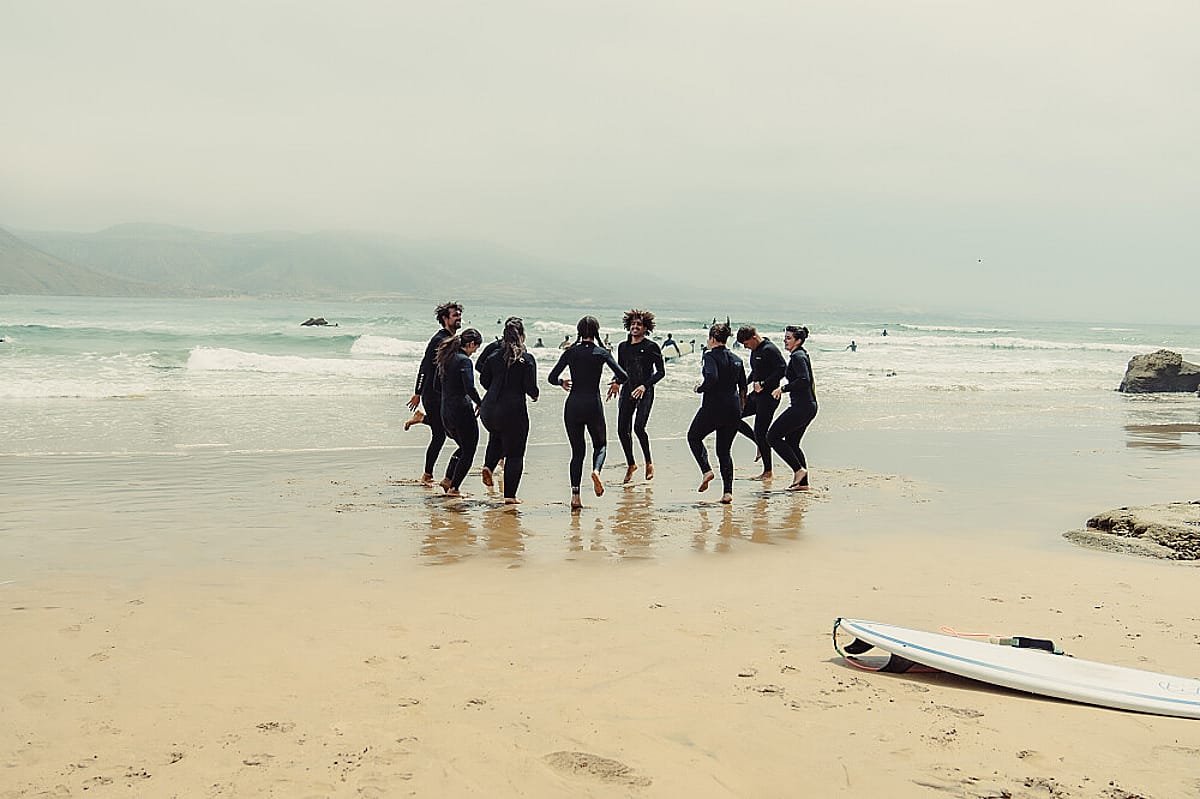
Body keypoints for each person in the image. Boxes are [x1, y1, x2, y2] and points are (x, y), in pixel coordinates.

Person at [548, 316, 629, 509]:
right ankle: (596, 471)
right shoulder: (601, 353)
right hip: (593, 404)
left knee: (577, 452)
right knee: (600, 445)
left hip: (573, 405)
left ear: (579, 332)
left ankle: (575, 497)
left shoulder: (570, 352)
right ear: (596, 332)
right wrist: (616, 382)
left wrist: (561, 382)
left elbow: (552, 377)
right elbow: (624, 375)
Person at [478, 318, 539, 503]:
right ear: (522, 335)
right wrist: (534, 395)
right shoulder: (526, 359)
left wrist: (495, 388)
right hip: (513, 410)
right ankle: (510, 497)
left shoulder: (493, 355)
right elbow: (530, 387)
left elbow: (483, 380)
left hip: (488, 410)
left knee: (497, 435)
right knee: (515, 454)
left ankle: (488, 466)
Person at [687, 322, 747, 504]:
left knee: (693, 437)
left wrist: (699, 388)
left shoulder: (709, 356)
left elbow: (712, 377)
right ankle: (727, 493)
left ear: (712, 338)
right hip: (733, 409)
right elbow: (743, 387)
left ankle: (706, 470)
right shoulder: (737, 359)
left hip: (713, 408)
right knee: (724, 451)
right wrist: (740, 409)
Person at [406, 301, 462, 483]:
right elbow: (425, 366)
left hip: (443, 392)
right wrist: (418, 392)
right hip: (431, 392)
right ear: (445, 318)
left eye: (459, 314)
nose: (459, 317)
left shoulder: (453, 339)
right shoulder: (439, 339)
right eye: (455, 315)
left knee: (440, 431)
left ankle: (422, 418)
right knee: (440, 434)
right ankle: (427, 475)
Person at [606, 308, 665, 483]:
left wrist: (645, 386)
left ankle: (648, 462)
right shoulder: (623, 347)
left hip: (645, 391)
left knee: (639, 427)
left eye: (639, 324)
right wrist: (616, 382)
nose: (635, 327)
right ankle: (631, 464)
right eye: (632, 324)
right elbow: (621, 370)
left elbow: (661, 372)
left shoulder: (651, 347)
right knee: (622, 430)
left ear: (646, 328)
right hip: (627, 391)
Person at [769, 325, 818, 490]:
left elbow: (804, 380)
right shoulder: (800, 355)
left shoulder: (798, 357)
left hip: (802, 407)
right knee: (792, 442)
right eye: (785, 338)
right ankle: (803, 484)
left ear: (798, 340)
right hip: (807, 406)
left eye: (789, 338)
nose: (785, 341)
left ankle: (798, 470)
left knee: (772, 436)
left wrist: (783, 389)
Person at [435, 327, 483, 496]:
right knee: (469, 449)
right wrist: (480, 403)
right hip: (461, 410)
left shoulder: (445, 358)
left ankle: (448, 480)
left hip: (445, 409)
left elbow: (436, 385)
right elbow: (469, 387)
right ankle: (454, 488)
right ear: (471, 344)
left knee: (463, 447)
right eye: (475, 348)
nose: (474, 352)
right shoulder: (464, 361)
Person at [734, 325, 786, 480]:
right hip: (756, 396)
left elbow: (782, 369)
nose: (745, 347)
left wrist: (764, 383)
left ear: (754, 338)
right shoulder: (755, 350)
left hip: (769, 397)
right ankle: (758, 443)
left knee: (761, 432)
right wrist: (743, 384)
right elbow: (755, 371)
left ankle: (768, 471)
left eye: (746, 343)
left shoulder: (769, 349)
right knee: (734, 416)